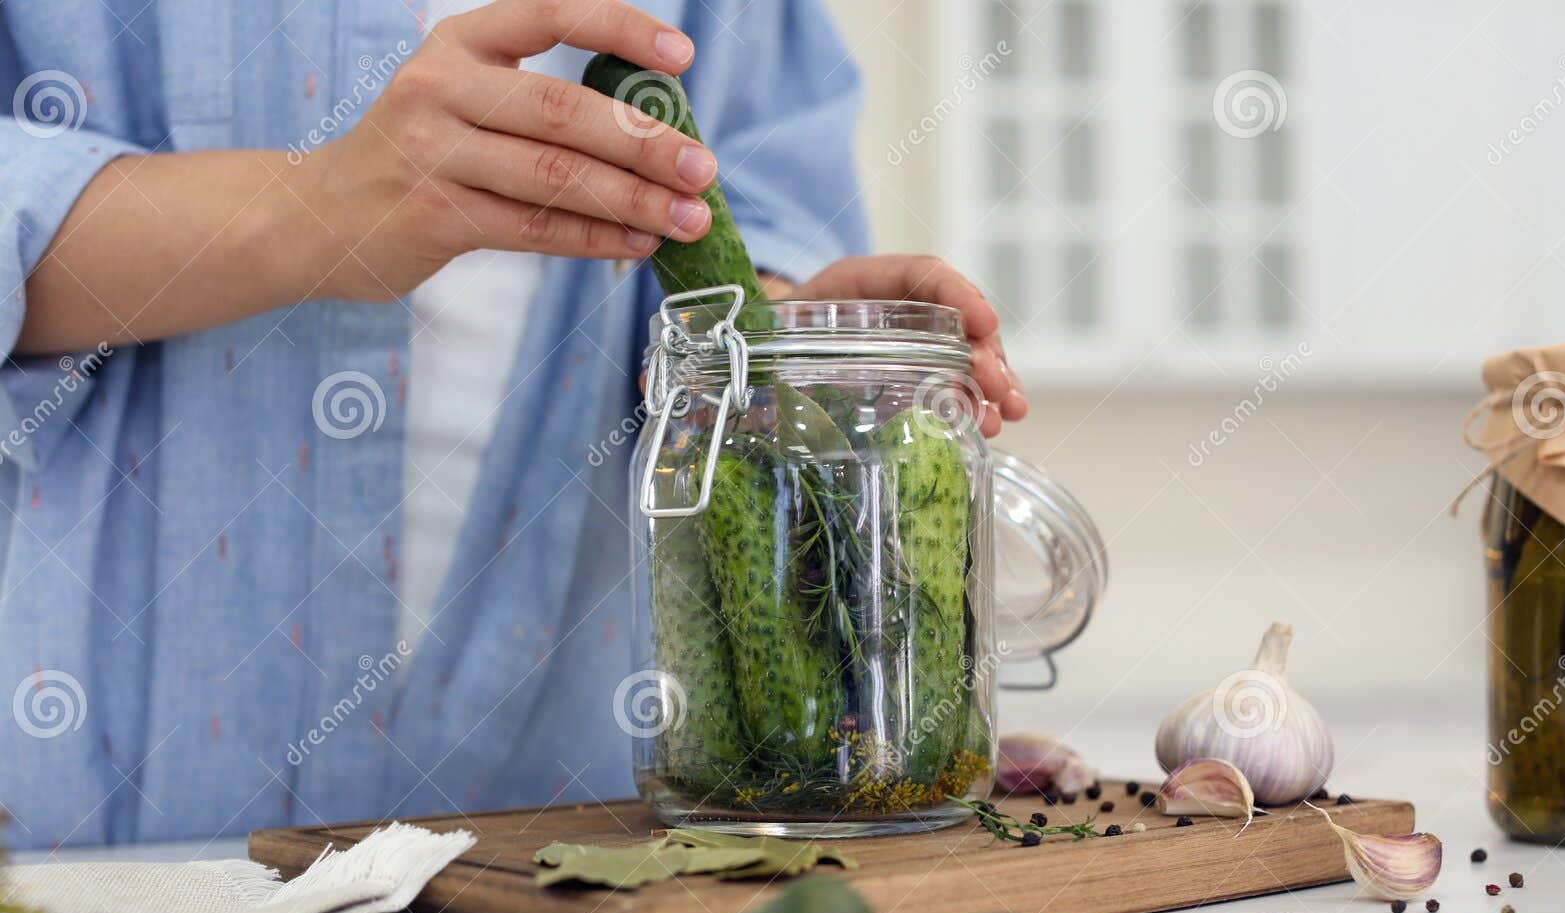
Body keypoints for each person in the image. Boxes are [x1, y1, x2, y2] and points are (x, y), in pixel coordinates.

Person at [0, 0, 1026, 850]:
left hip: (570, 842)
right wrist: (312, 207)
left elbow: (748, 192)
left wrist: (770, 344)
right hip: (107, 840)